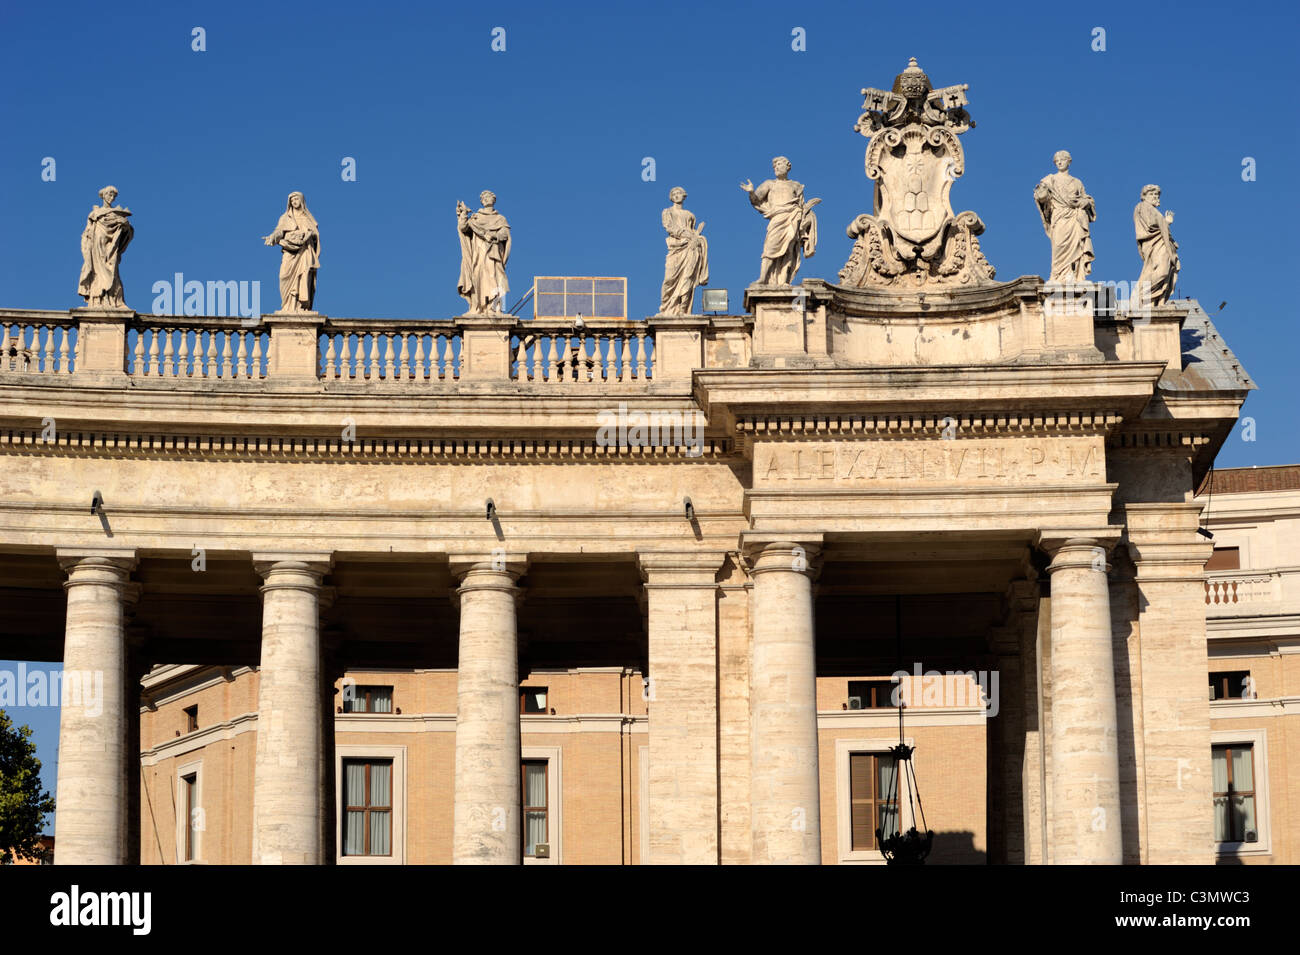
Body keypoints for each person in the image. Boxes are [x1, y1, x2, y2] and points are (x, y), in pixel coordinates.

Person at [740, 156, 818, 286]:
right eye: (774, 166)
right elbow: (756, 200)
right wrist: (751, 192)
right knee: (770, 246)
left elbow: (802, 205)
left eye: (779, 164)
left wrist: (806, 218)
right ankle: (763, 278)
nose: (776, 167)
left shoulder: (796, 186)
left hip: (793, 217)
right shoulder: (769, 184)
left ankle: (784, 280)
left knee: (789, 249)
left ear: (787, 166)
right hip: (777, 218)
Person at [1033, 150, 1095, 283]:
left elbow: (1087, 199)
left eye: (1063, 159)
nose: (1060, 162)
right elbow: (1041, 196)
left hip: (1075, 218)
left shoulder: (1077, 182)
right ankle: (1057, 276)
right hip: (1059, 217)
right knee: (1059, 246)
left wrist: (1086, 202)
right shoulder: (1049, 180)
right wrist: (1040, 194)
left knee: (1077, 247)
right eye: (1057, 160)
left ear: (1069, 161)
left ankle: (1076, 276)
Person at [263, 191, 320, 312]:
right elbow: (279, 231)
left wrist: (308, 235)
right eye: (292, 200)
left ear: (302, 201)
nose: (294, 202)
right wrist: (272, 237)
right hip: (289, 251)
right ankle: (287, 306)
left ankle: (299, 306)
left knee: (303, 278)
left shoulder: (308, 218)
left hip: (304, 252)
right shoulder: (285, 218)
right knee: (284, 276)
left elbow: (316, 235)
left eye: (296, 199)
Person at [78, 186, 133, 308]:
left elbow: (128, 232)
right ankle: (98, 298)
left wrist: (125, 226)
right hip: (97, 243)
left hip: (111, 246)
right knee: (97, 269)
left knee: (112, 269)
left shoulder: (117, 213)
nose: (111, 197)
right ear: (103, 195)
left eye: (114, 195)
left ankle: (113, 299)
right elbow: (87, 234)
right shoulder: (95, 213)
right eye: (109, 194)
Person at [457, 190, 511, 315]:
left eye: (489, 197)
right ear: (481, 201)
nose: (486, 199)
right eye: (484, 198)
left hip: (494, 252)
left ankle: (496, 307)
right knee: (479, 277)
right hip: (479, 253)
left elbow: (505, 234)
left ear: (494, 200)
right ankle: (478, 307)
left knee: (497, 278)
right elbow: (463, 227)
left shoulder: (500, 218)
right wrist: (464, 213)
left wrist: (493, 236)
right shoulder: (476, 217)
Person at [658, 187, 709, 314]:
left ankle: (683, 308)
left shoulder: (690, 215)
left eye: (678, 193)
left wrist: (696, 237)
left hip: (691, 248)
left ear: (684, 196)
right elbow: (669, 227)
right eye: (673, 194)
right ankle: (667, 307)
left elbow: (693, 231)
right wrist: (686, 235)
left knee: (688, 277)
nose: (676, 196)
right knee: (669, 279)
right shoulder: (667, 212)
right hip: (676, 247)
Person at [1133, 184, 1179, 309]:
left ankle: (1154, 303)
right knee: (1162, 272)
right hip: (1154, 245)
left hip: (1161, 244)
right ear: (1144, 196)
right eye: (1151, 194)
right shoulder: (1142, 206)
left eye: (1156, 194)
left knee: (1165, 272)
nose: (1155, 196)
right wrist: (1166, 221)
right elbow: (1150, 225)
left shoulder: (1153, 210)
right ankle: (1141, 295)